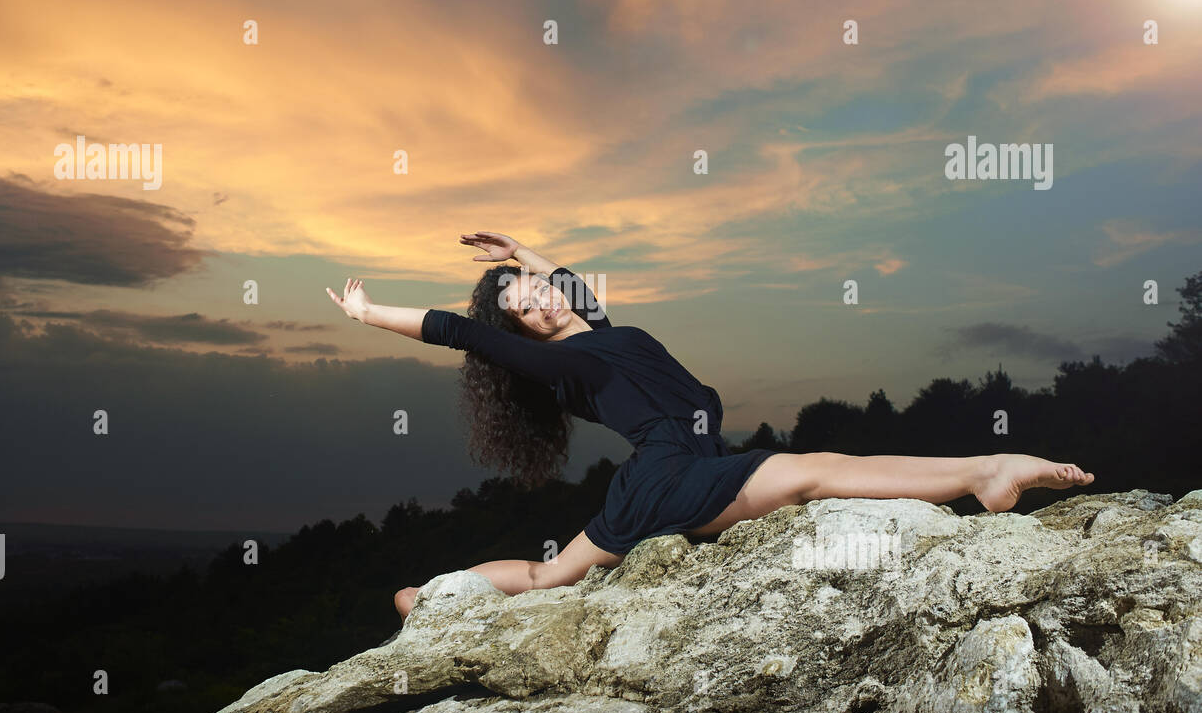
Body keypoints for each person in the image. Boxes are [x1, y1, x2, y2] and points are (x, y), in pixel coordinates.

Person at [326, 232, 1094, 621]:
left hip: (680, 470)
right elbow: (458, 333)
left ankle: (429, 594)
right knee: (811, 468)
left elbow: (577, 293)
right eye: (526, 307)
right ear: (520, 334)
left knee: (550, 576)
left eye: (538, 290)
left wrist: (520, 251)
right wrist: (367, 313)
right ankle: (983, 470)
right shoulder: (564, 369)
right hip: (668, 475)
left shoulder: (595, 334)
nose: (544, 300)